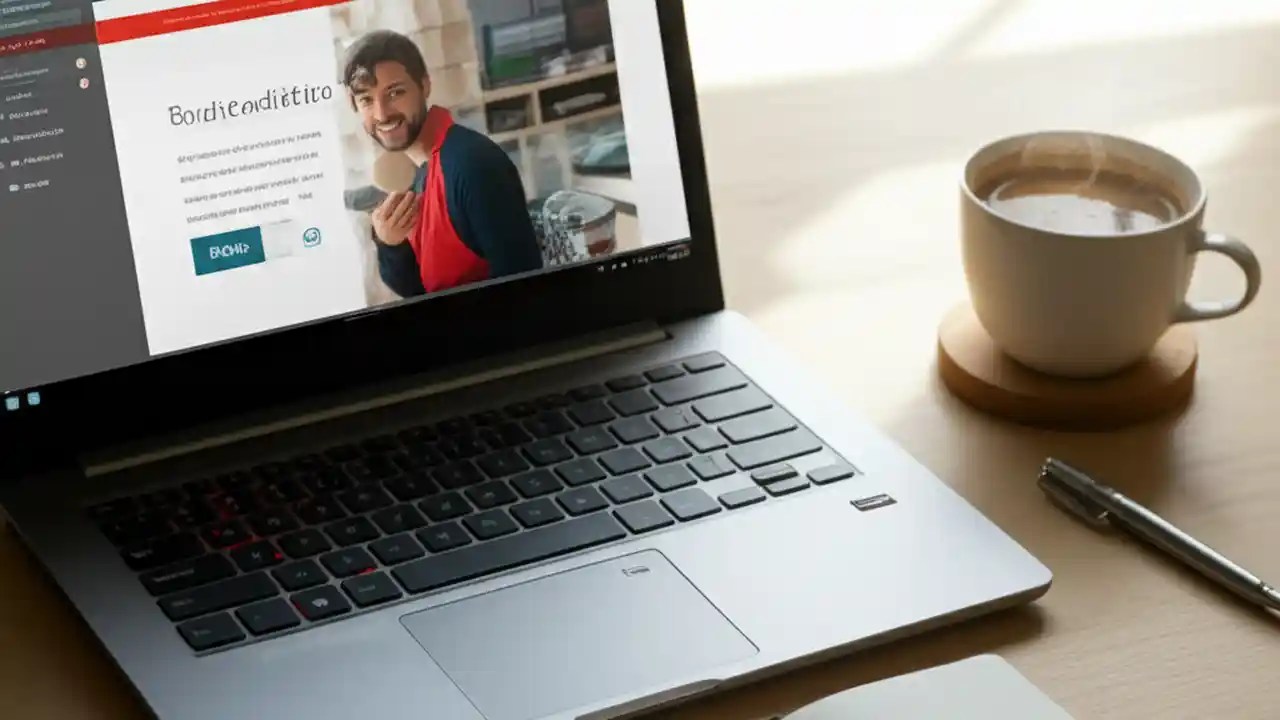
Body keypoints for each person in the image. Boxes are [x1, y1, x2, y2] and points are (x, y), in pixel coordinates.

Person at [342, 30, 543, 297]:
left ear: (424, 85)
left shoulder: (472, 166)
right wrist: (390, 242)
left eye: (394, 92)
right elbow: (420, 290)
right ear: (353, 105)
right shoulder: (419, 170)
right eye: (366, 99)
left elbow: (526, 289)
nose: (382, 113)